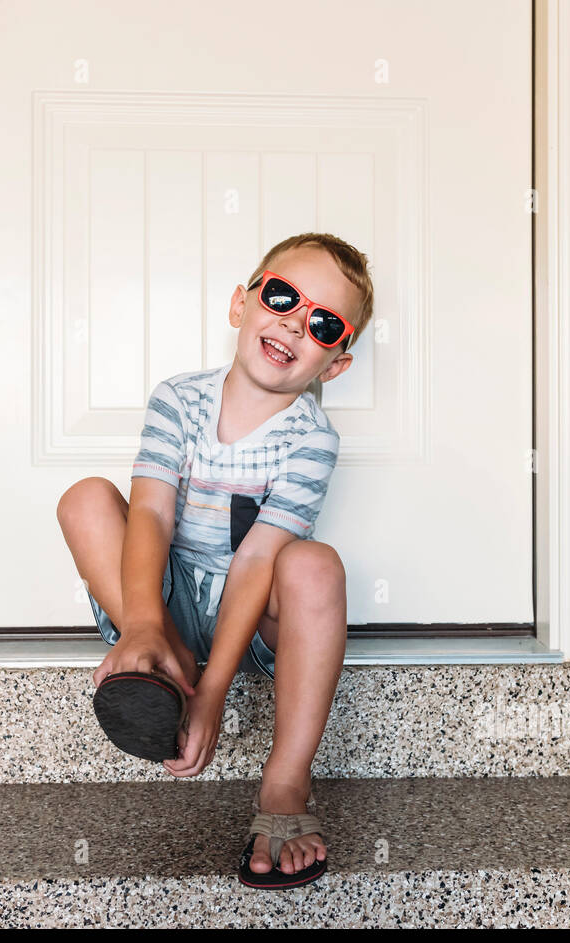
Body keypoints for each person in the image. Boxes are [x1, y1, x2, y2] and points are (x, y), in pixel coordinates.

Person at [56, 232, 373, 888]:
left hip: (249, 618)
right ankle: (161, 661)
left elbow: (259, 559)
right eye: (283, 296)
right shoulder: (178, 399)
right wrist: (144, 621)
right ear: (241, 303)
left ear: (335, 364)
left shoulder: (312, 439)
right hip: (162, 601)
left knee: (314, 565)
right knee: (87, 500)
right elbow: (149, 514)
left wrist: (215, 695)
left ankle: (285, 785)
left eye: (323, 323)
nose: (294, 320)